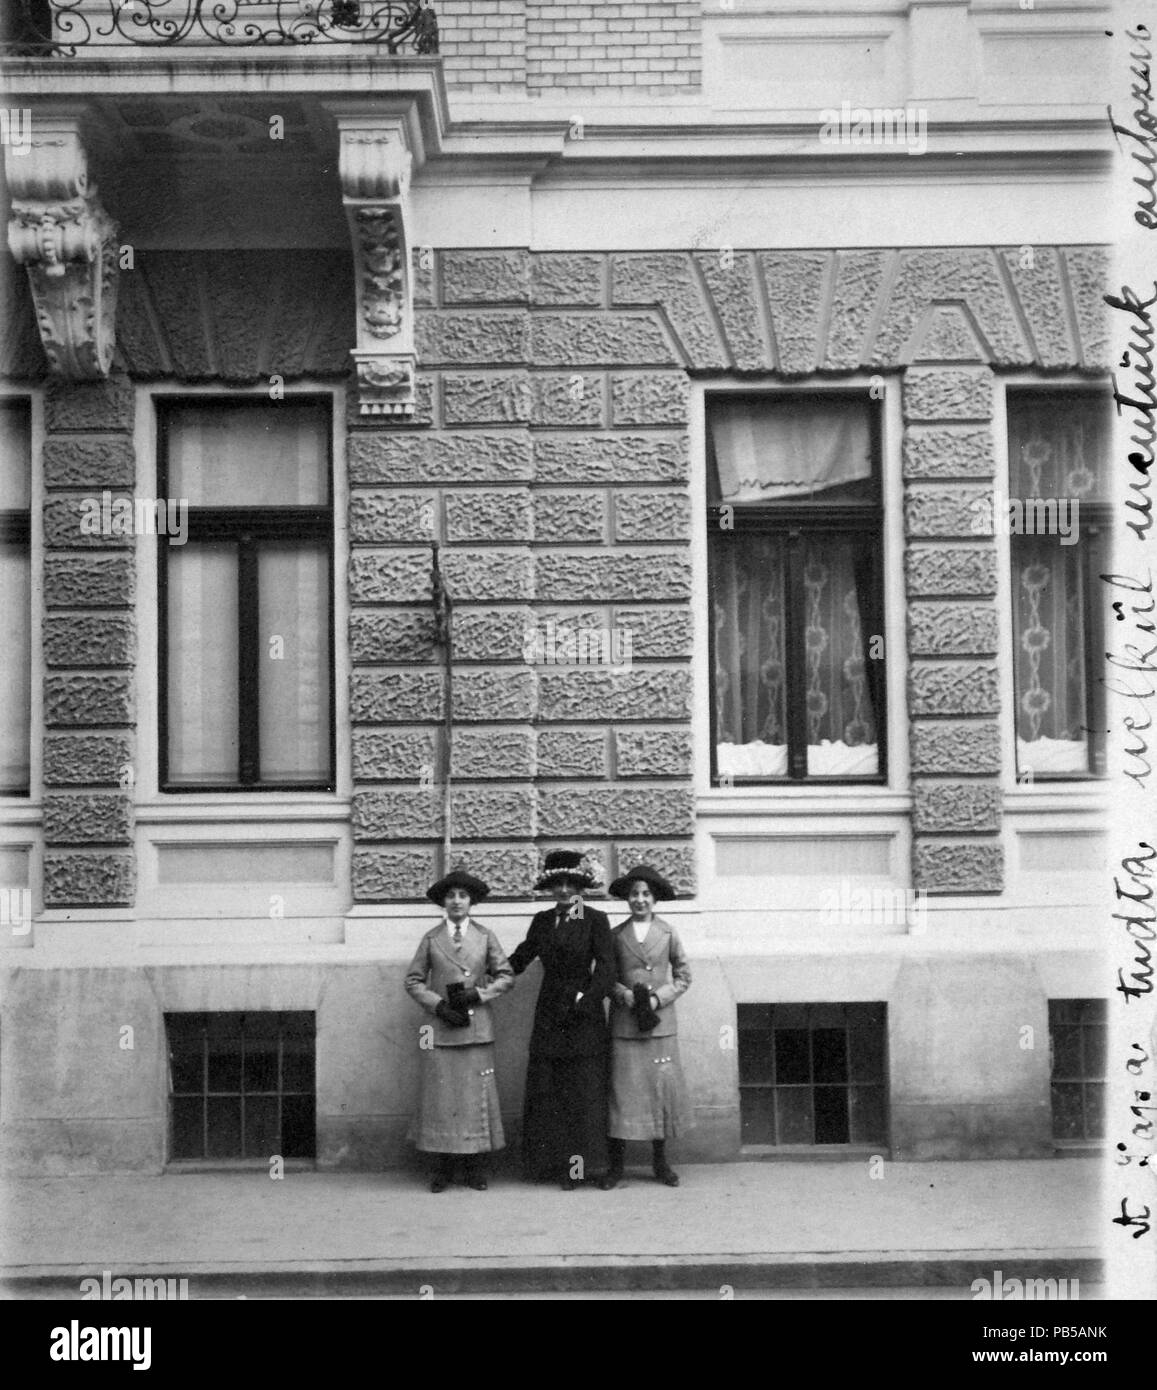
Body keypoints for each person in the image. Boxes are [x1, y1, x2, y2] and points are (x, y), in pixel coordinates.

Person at [508, 850, 615, 1190]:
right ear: (549, 887)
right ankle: (554, 1166)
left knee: (583, 1094)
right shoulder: (541, 920)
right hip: (550, 1015)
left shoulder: (595, 919)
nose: (565, 890)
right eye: (558, 884)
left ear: (581, 887)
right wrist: (487, 975)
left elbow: (608, 967)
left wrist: (588, 998)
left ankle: (585, 1169)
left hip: (583, 1015)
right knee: (551, 1094)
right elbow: (520, 957)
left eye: (571, 884)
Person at [403, 869, 514, 1192]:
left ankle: (474, 1167)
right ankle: (443, 1169)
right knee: (442, 1100)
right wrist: (438, 1006)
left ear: (471, 902)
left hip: (476, 1028)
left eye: (462, 896)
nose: (456, 901)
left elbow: (506, 976)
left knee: (473, 1100)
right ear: (443, 902)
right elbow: (412, 980)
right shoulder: (432, 938)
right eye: (450, 896)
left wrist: (478, 993)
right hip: (441, 1030)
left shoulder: (485, 936)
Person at [601, 864, 692, 1189]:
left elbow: (684, 976)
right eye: (634, 894)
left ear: (654, 899)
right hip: (625, 1026)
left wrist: (658, 999)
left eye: (646, 894)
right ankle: (616, 1166)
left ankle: (660, 1163)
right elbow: (606, 978)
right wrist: (624, 995)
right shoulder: (615, 935)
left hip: (659, 1025)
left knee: (659, 1094)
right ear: (627, 899)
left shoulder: (667, 933)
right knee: (622, 1095)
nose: (640, 900)